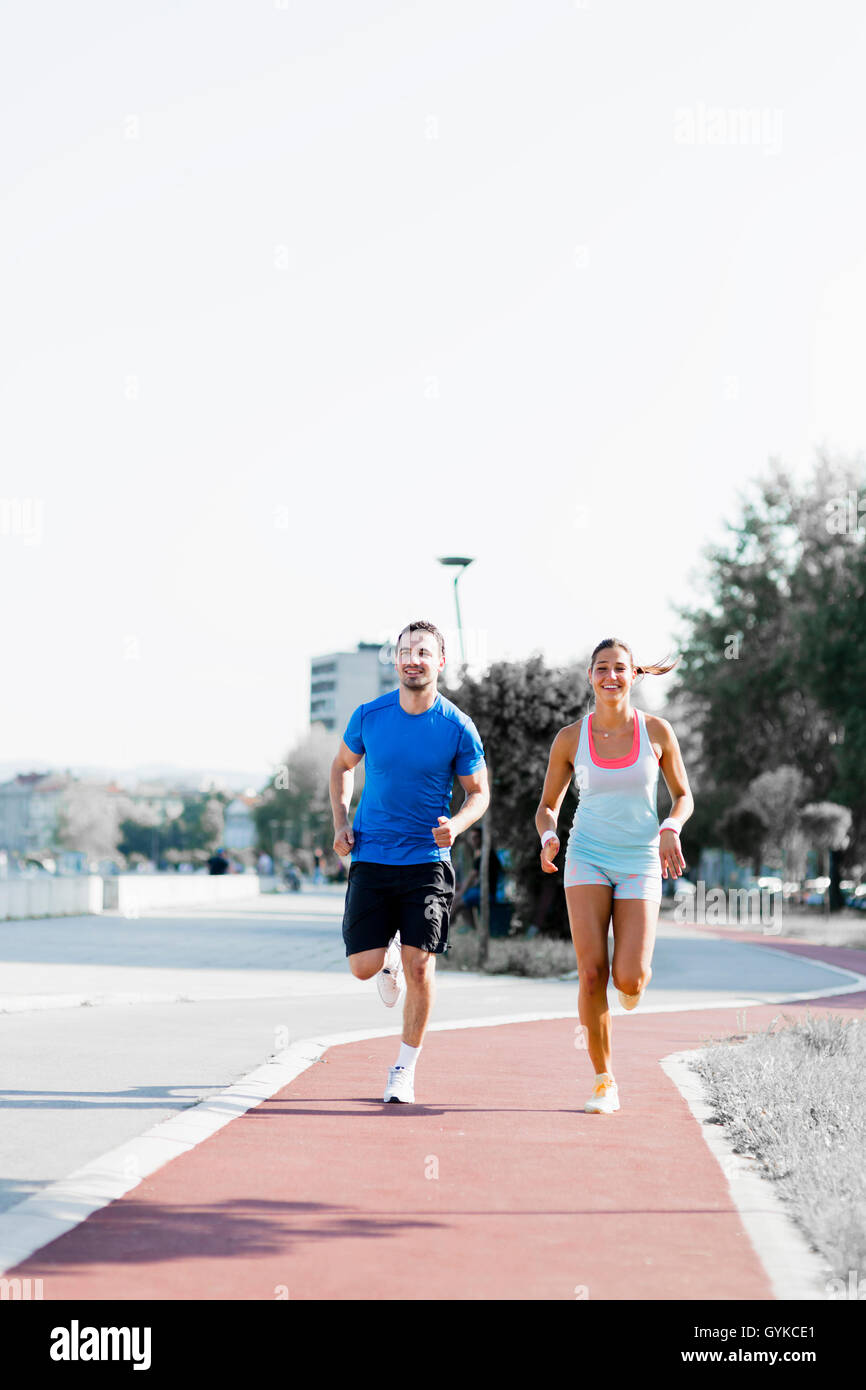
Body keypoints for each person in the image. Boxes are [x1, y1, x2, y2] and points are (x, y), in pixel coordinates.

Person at [330, 619, 489, 1103]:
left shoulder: (456, 726)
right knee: (362, 967)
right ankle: (386, 962)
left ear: (440, 662)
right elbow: (341, 767)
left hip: (426, 859)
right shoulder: (369, 716)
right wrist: (340, 820)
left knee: (422, 967)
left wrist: (458, 826)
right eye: (405, 652)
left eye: (423, 652)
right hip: (372, 856)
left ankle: (404, 1068)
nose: (413, 659)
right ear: (396, 660)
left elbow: (478, 793)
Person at [535, 637, 693, 1115]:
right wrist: (548, 837)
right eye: (601, 668)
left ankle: (632, 985)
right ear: (590, 676)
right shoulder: (570, 738)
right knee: (590, 972)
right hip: (586, 855)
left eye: (619, 668)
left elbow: (683, 795)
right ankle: (604, 1080)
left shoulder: (658, 732)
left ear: (632, 675)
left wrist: (671, 826)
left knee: (630, 977)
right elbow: (547, 807)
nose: (611, 676)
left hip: (641, 858)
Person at [452, 826, 502, 928]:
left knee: (458, 902)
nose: (473, 841)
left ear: (481, 838)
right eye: (471, 838)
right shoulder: (482, 854)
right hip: (482, 890)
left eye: (475, 838)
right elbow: (477, 880)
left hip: (488, 893)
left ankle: (443, 928)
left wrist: (461, 892)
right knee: (463, 902)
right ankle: (472, 928)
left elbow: (472, 877)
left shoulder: (485, 854)